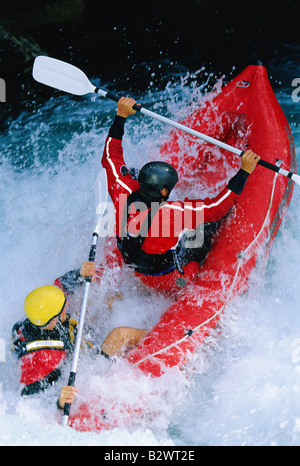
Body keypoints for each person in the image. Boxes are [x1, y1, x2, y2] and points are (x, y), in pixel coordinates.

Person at [101, 97, 261, 292]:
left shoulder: (122, 191)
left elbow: (110, 156)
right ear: (163, 192)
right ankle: (188, 280)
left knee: (130, 172)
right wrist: (244, 171)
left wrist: (120, 116)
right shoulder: (173, 213)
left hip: (134, 266)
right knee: (207, 228)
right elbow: (217, 207)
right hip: (166, 279)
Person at [12, 262, 145, 409]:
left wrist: (79, 275)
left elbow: (59, 288)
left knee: (106, 299)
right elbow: (29, 398)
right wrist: (58, 401)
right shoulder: (42, 357)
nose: (67, 305)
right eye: (63, 307)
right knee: (120, 335)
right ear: (53, 321)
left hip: (71, 340)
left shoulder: (37, 315)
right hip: (85, 367)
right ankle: (158, 336)